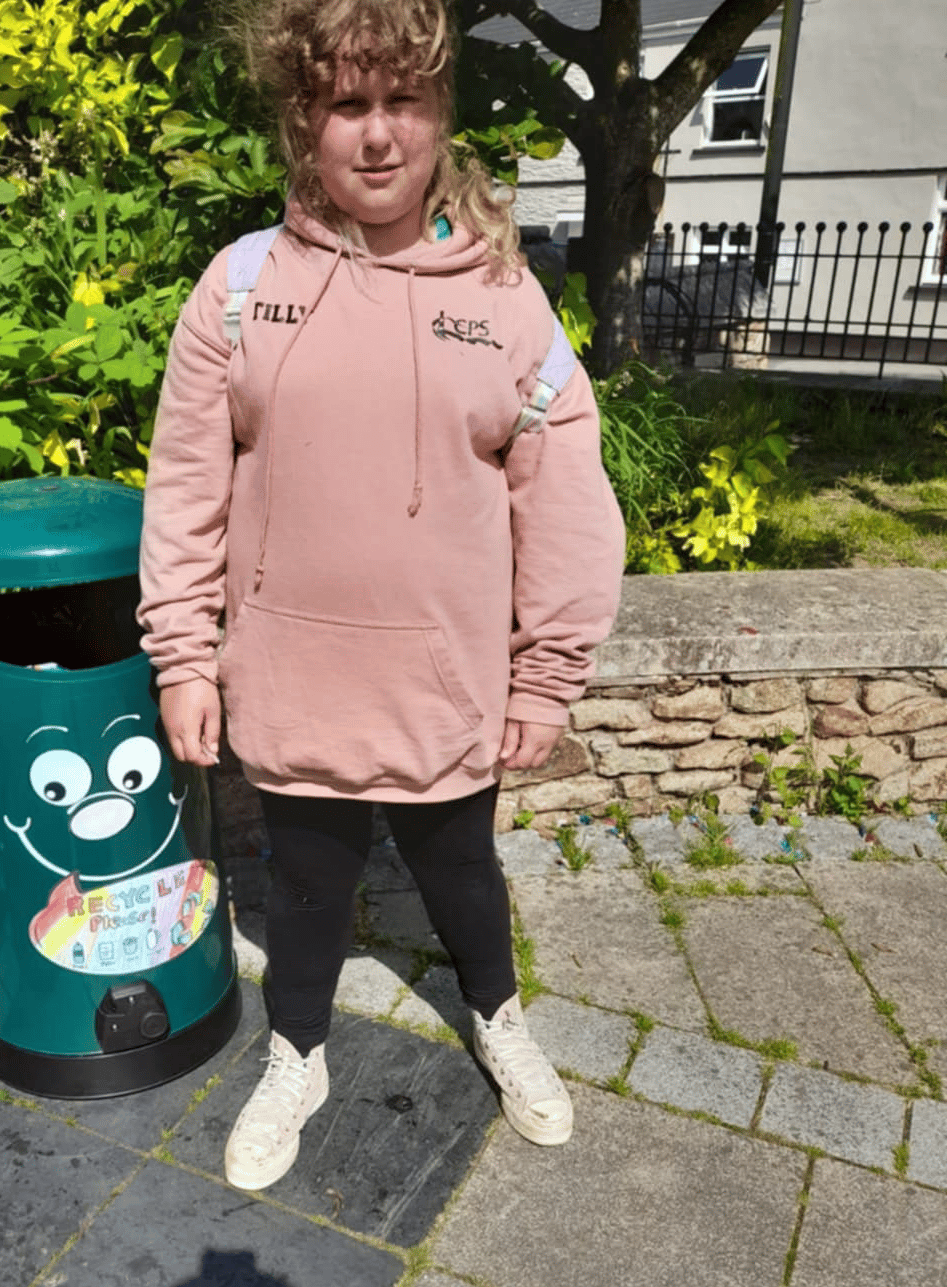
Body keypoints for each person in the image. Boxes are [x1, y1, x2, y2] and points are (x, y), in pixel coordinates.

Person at [138, 0, 624, 1192]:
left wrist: (547, 677)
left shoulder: (505, 298)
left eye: (401, 100)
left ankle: (498, 1016)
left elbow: (564, 499)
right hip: (295, 678)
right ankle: (297, 1054)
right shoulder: (241, 286)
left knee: (464, 877)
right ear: (303, 121)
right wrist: (184, 658)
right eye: (344, 103)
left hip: (443, 686)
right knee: (304, 887)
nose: (374, 133)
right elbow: (187, 486)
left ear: (438, 112)